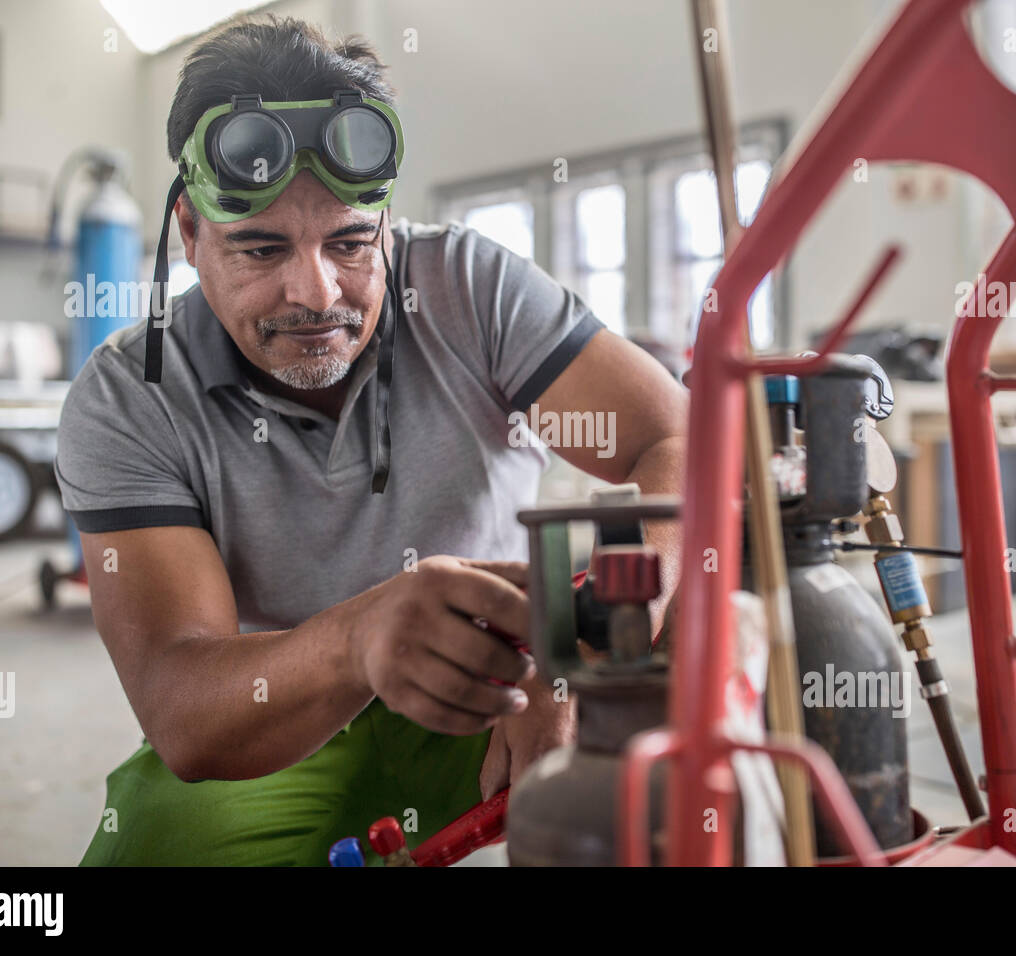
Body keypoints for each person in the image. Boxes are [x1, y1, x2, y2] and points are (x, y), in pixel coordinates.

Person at [55, 15, 686, 865]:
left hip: (502, 684)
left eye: (351, 242)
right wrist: (361, 636)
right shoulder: (126, 396)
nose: (315, 292)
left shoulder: (469, 287)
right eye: (259, 247)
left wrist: (588, 634)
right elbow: (183, 708)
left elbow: (677, 441)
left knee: (720, 732)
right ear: (191, 235)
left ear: (386, 223)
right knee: (159, 845)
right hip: (281, 710)